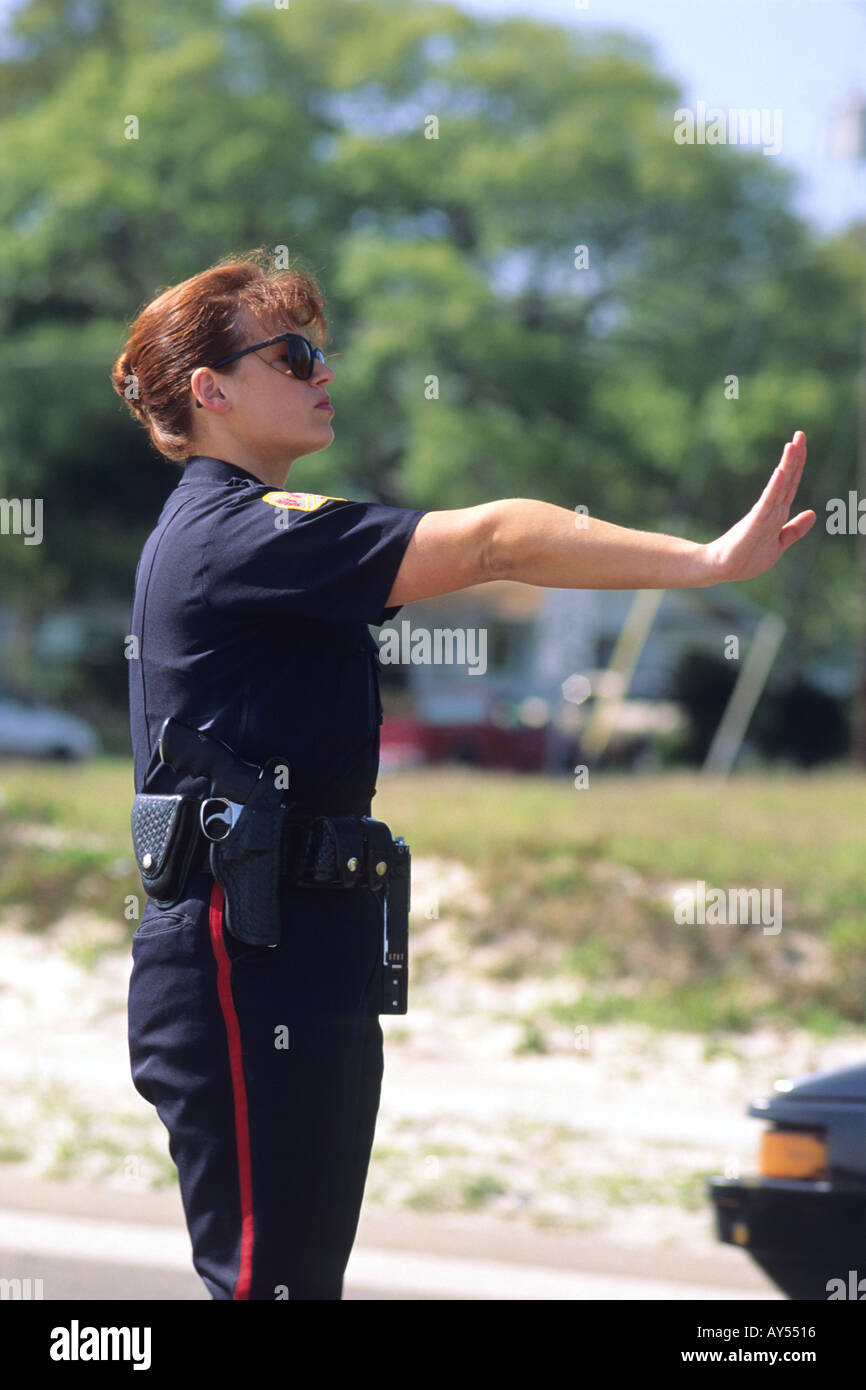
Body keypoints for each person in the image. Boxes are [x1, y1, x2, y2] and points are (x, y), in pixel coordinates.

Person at [112, 247, 813, 1301]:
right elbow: (492, 541)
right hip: (243, 953)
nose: (321, 372)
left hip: (297, 942)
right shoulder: (232, 537)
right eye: (293, 353)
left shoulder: (259, 536)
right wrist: (702, 561)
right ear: (210, 392)